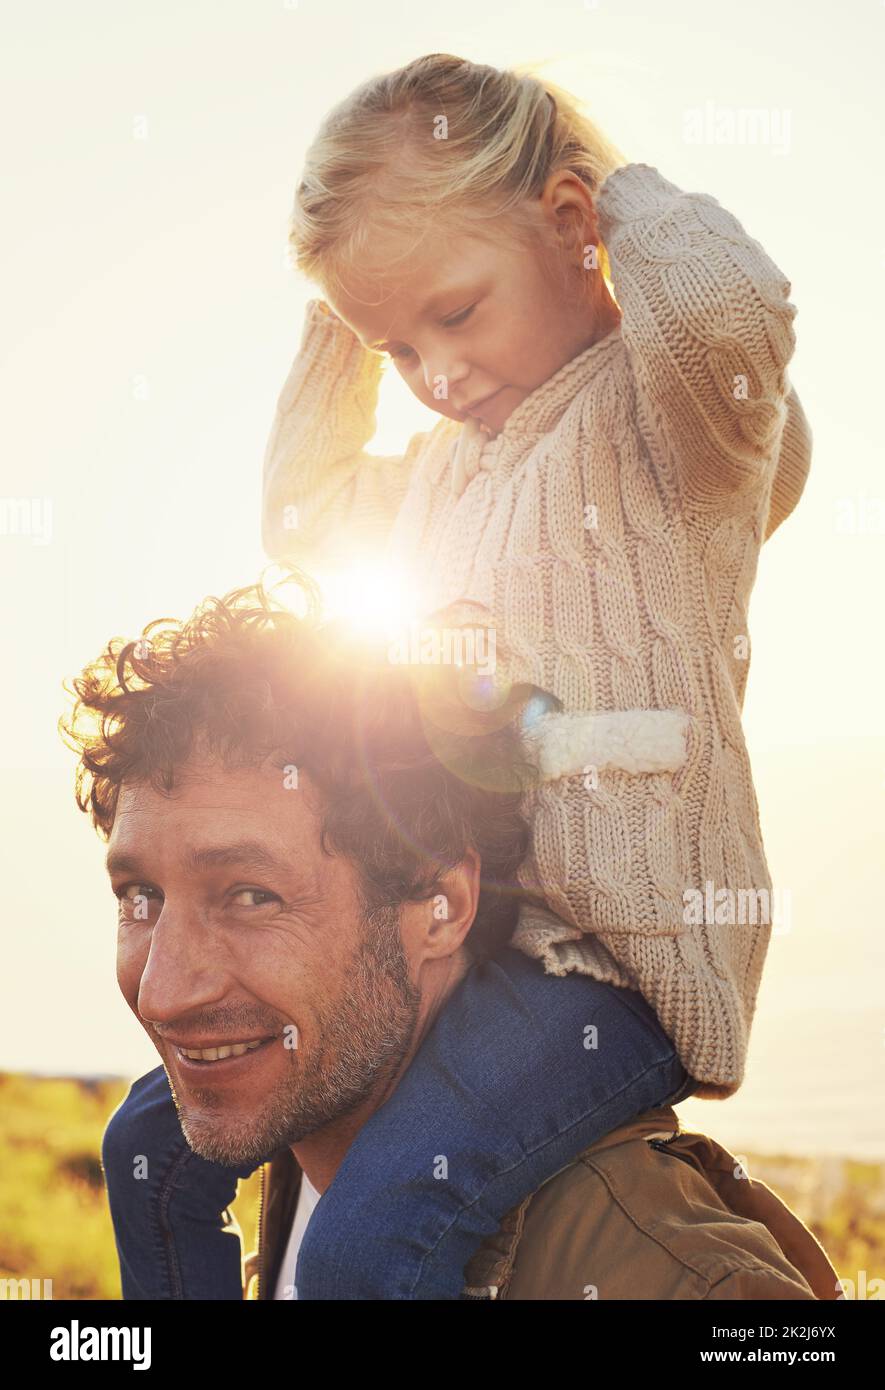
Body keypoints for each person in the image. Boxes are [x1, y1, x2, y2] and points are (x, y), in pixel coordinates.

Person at [100, 47, 813, 1298]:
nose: (434, 375)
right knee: (151, 1147)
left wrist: (613, 185)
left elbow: (724, 316)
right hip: (468, 940)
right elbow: (306, 517)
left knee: (379, 1237)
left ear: (572, 228)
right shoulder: (448, 467)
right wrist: (343, 329)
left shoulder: (671, 439)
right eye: (398, 345)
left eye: (456, 312)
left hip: (608, 968)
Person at [68, 578, 837, 1302]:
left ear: (441, 905)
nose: (164, 990)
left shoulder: (671, 1279)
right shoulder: (286, 1199)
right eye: (141, 896)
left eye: (249, 896)